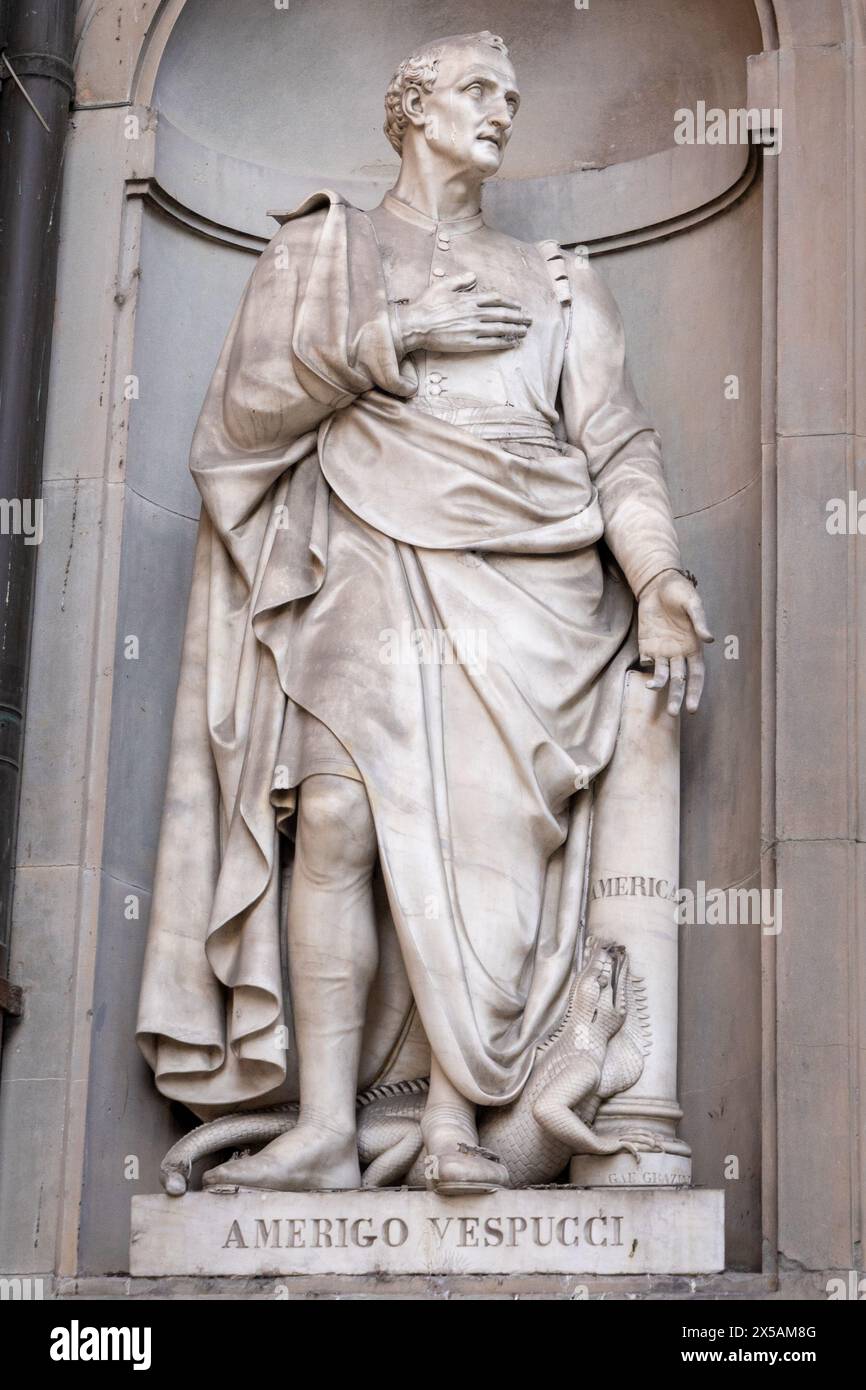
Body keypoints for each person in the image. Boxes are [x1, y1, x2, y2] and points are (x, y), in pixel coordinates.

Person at [137, 30, 712, 1196]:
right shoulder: (321, 250)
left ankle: (455, 1120)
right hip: (365, 544)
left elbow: (617, 446)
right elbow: (238, 421)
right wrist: (395, 338)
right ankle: (321, 1129)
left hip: (530, 576)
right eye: (476, 89)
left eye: (511, 93)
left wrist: (657, 578)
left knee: (484, 842)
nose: (501, 109)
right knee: (340, 815)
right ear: (412, 107)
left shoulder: (558, 278)